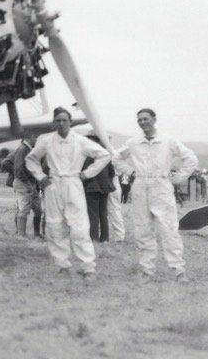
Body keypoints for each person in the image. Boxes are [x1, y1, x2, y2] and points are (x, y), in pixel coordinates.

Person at [26, 108, 111, 280]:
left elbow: (104, 155)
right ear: (54, 122)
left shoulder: (80, 141)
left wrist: (86, 174)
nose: (61, 123)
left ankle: (88, 268)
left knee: (79, 226)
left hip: (73, 183)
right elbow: (31, 159)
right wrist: (41, 176)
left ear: (70, 122)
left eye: (64, 120)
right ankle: (62, 265)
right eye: (58, 120)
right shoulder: (46, 140)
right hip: (53, 185)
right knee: (55, 225)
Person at [115, 108, 199, 282]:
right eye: (139, 120)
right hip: (140, 185)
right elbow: (116, 158)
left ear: (154, 119)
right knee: (143, 229)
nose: (143, 122)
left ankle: (178, 270)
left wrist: (179, 177)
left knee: (169, 228)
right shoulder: (133, 142)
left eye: (146, 119)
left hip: (161, 185)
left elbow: (191, 158)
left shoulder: (168, 141)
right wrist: (130, 171)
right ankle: (147, 270)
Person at [81, 134, 115, 242]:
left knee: (92, 214)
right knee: (103, 213)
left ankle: (93, 238)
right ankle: (105, 238)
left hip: (91, 187)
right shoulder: (105, 153)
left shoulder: (88, 155)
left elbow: (84, 173)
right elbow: (112, 172)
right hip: (105, 187)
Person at [8, 134, 42, 239]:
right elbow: (19, 169)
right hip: (24, 183)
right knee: (24, 209)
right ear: (29, 137)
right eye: (36, 137)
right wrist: (27, 181)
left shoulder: (27, 149)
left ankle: (37, 234)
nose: (37, 139)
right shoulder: (23, 149)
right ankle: (21, 235)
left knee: (38, 209)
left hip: (30, 183)